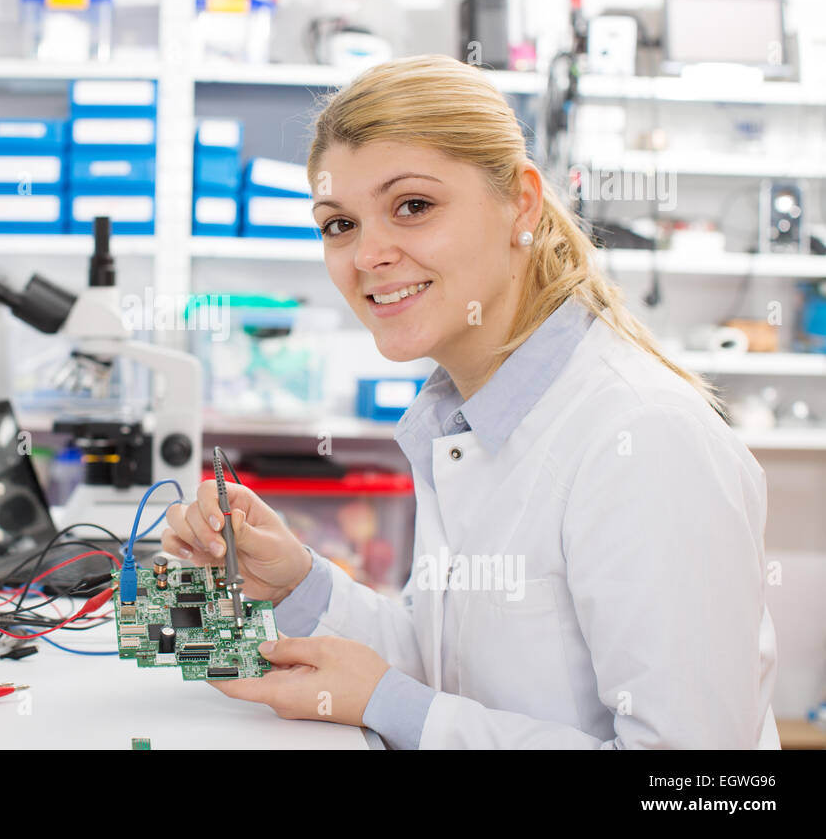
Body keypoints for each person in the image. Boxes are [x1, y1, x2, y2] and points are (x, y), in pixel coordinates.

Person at [161, 54, 778, 749]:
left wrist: (399, 710)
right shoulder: (465, 414)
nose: (368, 255)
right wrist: (300, 582)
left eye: (413, 207)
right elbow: (452, 664)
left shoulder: (643, 440)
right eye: (339, 224)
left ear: (521, 202)